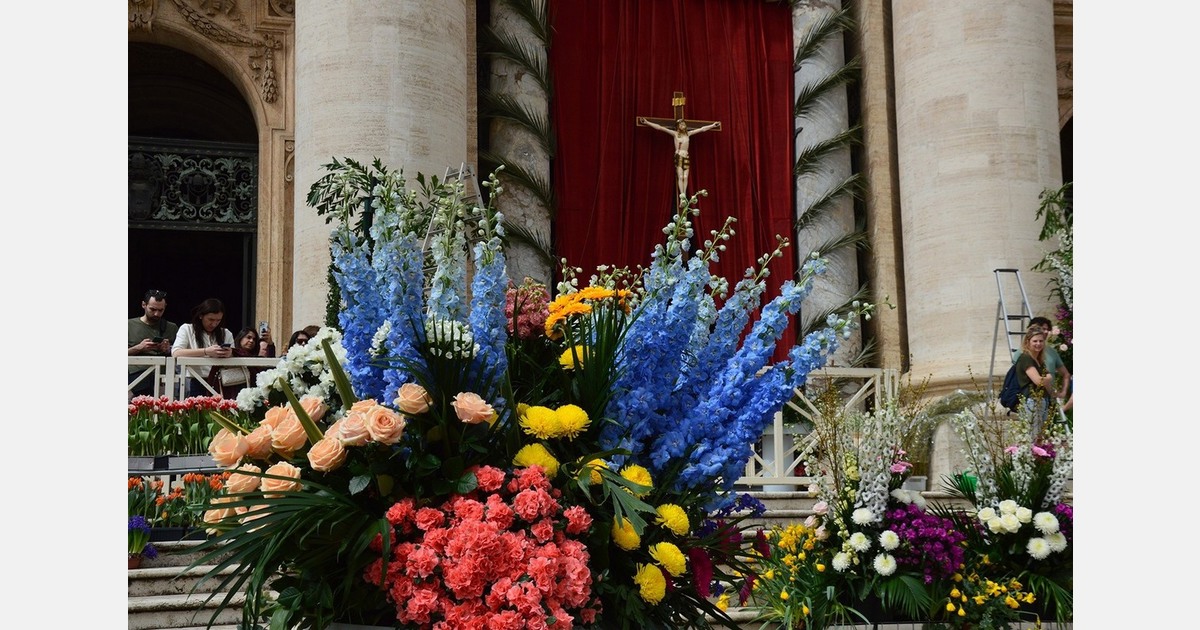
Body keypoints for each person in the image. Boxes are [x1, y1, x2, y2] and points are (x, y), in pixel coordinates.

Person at [638, 117, 721, 203]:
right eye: (681, 124)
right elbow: (660, 128)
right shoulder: (675, 134)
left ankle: (684, 196)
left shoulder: (688, 134)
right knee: (681, 177)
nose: (683, 125)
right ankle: (682, 196)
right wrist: (647, 122)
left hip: (686, 156)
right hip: (679, 156)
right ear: (678, 126)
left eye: (684, 124)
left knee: (685, 177)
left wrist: (712, 125)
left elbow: (702, 129)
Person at [172, 298, 234, 397]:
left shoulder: (226, 333)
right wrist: (206, 351)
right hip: (193, 380)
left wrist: (229, 353)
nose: (214, 324)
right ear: (201, 315)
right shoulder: (187, 329)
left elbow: (234, 356)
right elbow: (176, 353)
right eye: (211, 319)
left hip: (220, 382)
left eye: (218, 320)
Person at [128, 289, 179, 398]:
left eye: (161, 310)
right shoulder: (129, 325)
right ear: (143, 305)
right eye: (153, 309)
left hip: (163, 380)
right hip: (133, 380)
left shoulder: (171, 327)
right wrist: (139, 348)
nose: (156, 313)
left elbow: (179, 352)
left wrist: (167, 349)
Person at [1014, 326, 1055, 438]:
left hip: (1043, 400)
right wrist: (1049, 377)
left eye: (1041, 341)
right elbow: (1038, 381)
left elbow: (1044, 382)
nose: (1038, 344)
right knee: (1034, 436)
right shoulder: (1026, 358)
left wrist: (1053, 397)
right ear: (1028, 342)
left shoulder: (1039, 360)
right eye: (1035, 341)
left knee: (1043, 436)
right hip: (1032, 400)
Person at [218, 327, 276, 400]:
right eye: (248, 337)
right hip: (233, 394)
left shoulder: (255, 359)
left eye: (254, 339)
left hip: (252, 396)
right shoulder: (232, 353)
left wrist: (270, 343)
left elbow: (270, 363)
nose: (251, 341)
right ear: (241, 338)